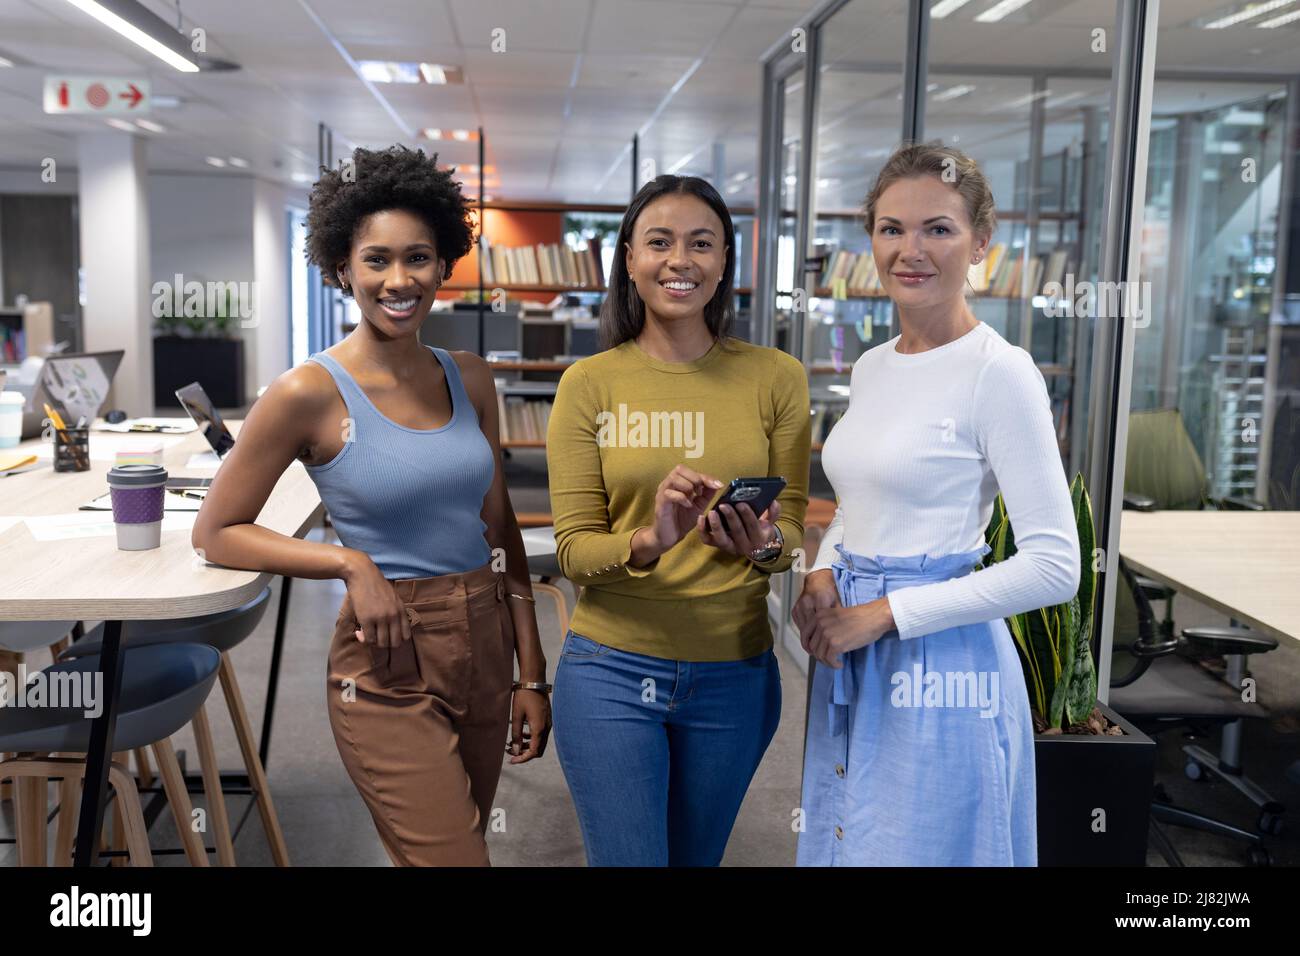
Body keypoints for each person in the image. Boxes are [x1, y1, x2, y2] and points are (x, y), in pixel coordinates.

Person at [191, 145, 551, 866]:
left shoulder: (471, 378)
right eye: (377, 260)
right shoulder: (306, 393)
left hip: (486, 641)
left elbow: (500, 530)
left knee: (460, 840)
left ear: (444, 264)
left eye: (417, 258)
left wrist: (532, 673)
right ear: (341, 270)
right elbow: (217, 532)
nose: (399, 280)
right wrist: (349, 563)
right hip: (387, 660)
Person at [792, 143, 1080, 866]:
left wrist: (886, 613)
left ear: (981, 243)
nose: (909, 250)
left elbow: (1056, 567)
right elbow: (863, 496)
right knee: (848, 836)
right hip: (853, 645)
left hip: (943, 662)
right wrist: (824, 569)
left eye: (937, 229)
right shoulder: (873, 365)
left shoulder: (1000, 373)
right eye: (891, 229)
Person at [545, 175, 811, 866]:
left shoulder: (777, 377)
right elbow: (572, 551)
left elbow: (790, 533)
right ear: (629, 258)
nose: (679, 261)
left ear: (726, 260)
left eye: (701, 243)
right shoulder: (588, 384)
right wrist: (648, 540)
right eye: (659, 242)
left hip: (737, 673)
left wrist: (765, 544)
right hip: (610, 668)